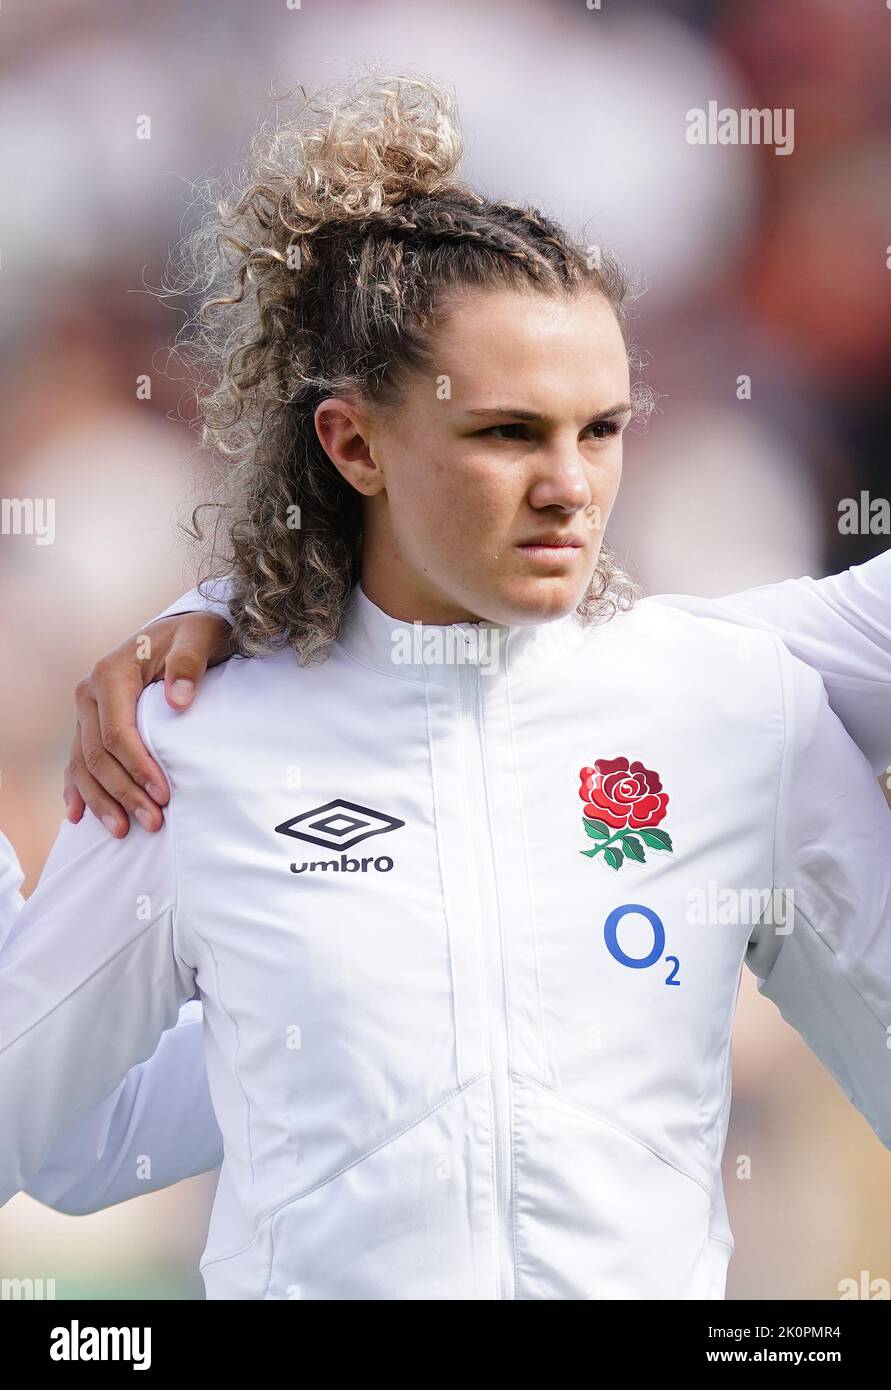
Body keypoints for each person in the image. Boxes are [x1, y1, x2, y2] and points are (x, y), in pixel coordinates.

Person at [2, 68, 890, 1301]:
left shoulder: (743, 703)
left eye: (604, 428)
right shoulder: (192, 747)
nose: (571, 485)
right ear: (353, 443)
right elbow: (42, 1130)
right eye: (508, 433)